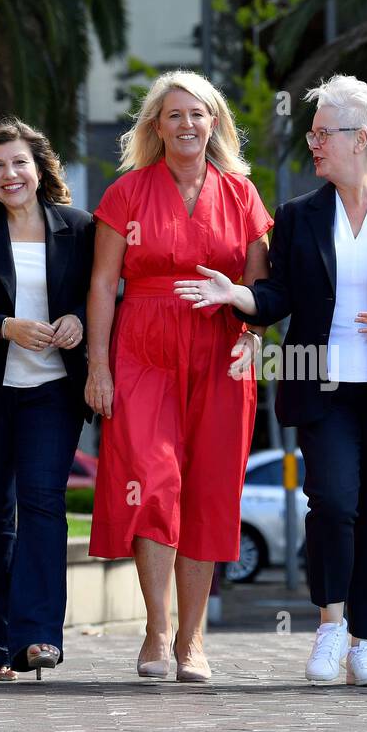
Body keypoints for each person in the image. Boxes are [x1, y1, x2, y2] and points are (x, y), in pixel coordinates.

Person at [178, 75, 367, 687]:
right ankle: (331, 624)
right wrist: (241, 297)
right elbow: (279, 294)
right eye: (311, 132)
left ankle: (366, 643)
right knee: (332, 501)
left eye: (322, 132)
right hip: (323, 385)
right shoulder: (300, 216)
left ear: (359, 139)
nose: (313, 142)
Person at [87, 71, 272, 683]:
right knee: (155, 480)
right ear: (155, 128)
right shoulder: (127, 193)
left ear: (214, 122)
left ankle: (193, 642)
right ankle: (156, 629)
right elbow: (101, 285)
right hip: (142, 347)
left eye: (198, 114)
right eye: (174, 115)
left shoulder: (242, 194)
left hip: (220, 348)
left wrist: (253, 337)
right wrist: (98, 364)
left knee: (210, 489)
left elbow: (259, 287)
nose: (187, 124)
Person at [0, 119, 95, 680]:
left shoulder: (78, 228)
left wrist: (78, 319)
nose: (10, 174)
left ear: (39, 169)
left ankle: (38, 638)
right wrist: (4, 327)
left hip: (52, 392)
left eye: (19, 163)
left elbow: (101, 296)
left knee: (43, 505)